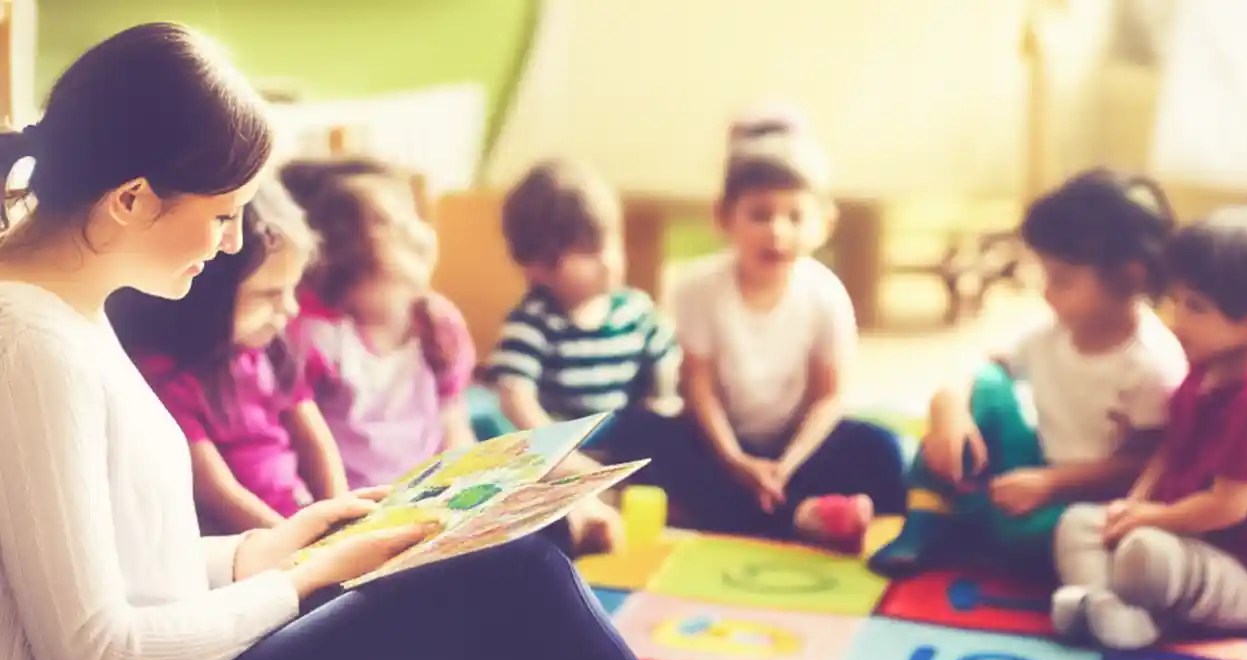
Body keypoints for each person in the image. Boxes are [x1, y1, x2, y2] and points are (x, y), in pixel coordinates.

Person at [0, 22, 682, 660]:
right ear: (131, 199)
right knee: (511, 580)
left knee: (497, 595)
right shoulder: (30, 347)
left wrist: (263, 553)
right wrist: (303, 579)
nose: (234, 242)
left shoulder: (68, 313)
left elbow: (129, 572)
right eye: (225, 214)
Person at [870, 169, 1188, 578]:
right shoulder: (1053, 332)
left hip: (1081, 493)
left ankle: (962, 522)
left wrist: (1051, 483)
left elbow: (1145, 462)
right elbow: (981, 369)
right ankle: (927, 525)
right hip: (1035, 460)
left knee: (1033, 536)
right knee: (984, 393)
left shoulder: (1151, 362)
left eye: (1063, 280)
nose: (1047, 291)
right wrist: (949, 408)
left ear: (1131, 275)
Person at [1054, 204, 1247, 649]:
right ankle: (1108, 608)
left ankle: (1122, 616)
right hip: (1173, 529)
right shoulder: (1203, 369)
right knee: (1080, 523)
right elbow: (1171, 449)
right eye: (1175, 300)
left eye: (1195, 308)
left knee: (1145, 552)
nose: (1177, 320)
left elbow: (1227, 507)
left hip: (1244, 570)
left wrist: (1151, 520)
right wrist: (1133, 503)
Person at [669, 129, 905, 551]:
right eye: (760, 215)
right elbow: (698, 389)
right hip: (723, 442)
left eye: (795, 217)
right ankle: (801, 515)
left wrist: (785, 466)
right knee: (652, 441)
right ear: (724, 217)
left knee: (882, 449)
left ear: (824, 224)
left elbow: (828, 398)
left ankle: (766, 511)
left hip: (797, 443)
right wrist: (736, 460)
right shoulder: (697, 288)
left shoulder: (826, 294)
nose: (777, 231)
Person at [111, 179, 347, 532]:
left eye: (291, 289)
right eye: (269, 295)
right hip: (254, 544)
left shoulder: (271, 352)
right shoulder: (164, 379)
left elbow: (315, 443)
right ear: (207, 295)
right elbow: (215, 493)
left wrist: (341, 515)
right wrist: (297, 542)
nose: (290, 308)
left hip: (302, 524)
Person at [486, 159, 679, 551]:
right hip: (567, 450)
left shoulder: (635, 310)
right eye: (589, 253)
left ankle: (658, 511)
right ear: (538, 266)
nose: (608, 261)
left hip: (624, 445)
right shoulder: (534, 321)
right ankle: (584, 520)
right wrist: (559, 454)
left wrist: (663, 399)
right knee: (518, 472)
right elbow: (514, 396)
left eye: (611, 244)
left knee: (672, 440)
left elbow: (665, 366)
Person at [280, 158, 477, 489]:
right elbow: (300, 444)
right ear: (341, 247)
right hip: (359, 507)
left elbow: (454, 422)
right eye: (391, 222)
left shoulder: (438, 322)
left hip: (434, 497)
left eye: (413, 217)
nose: (418, 233)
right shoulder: (317, 339)